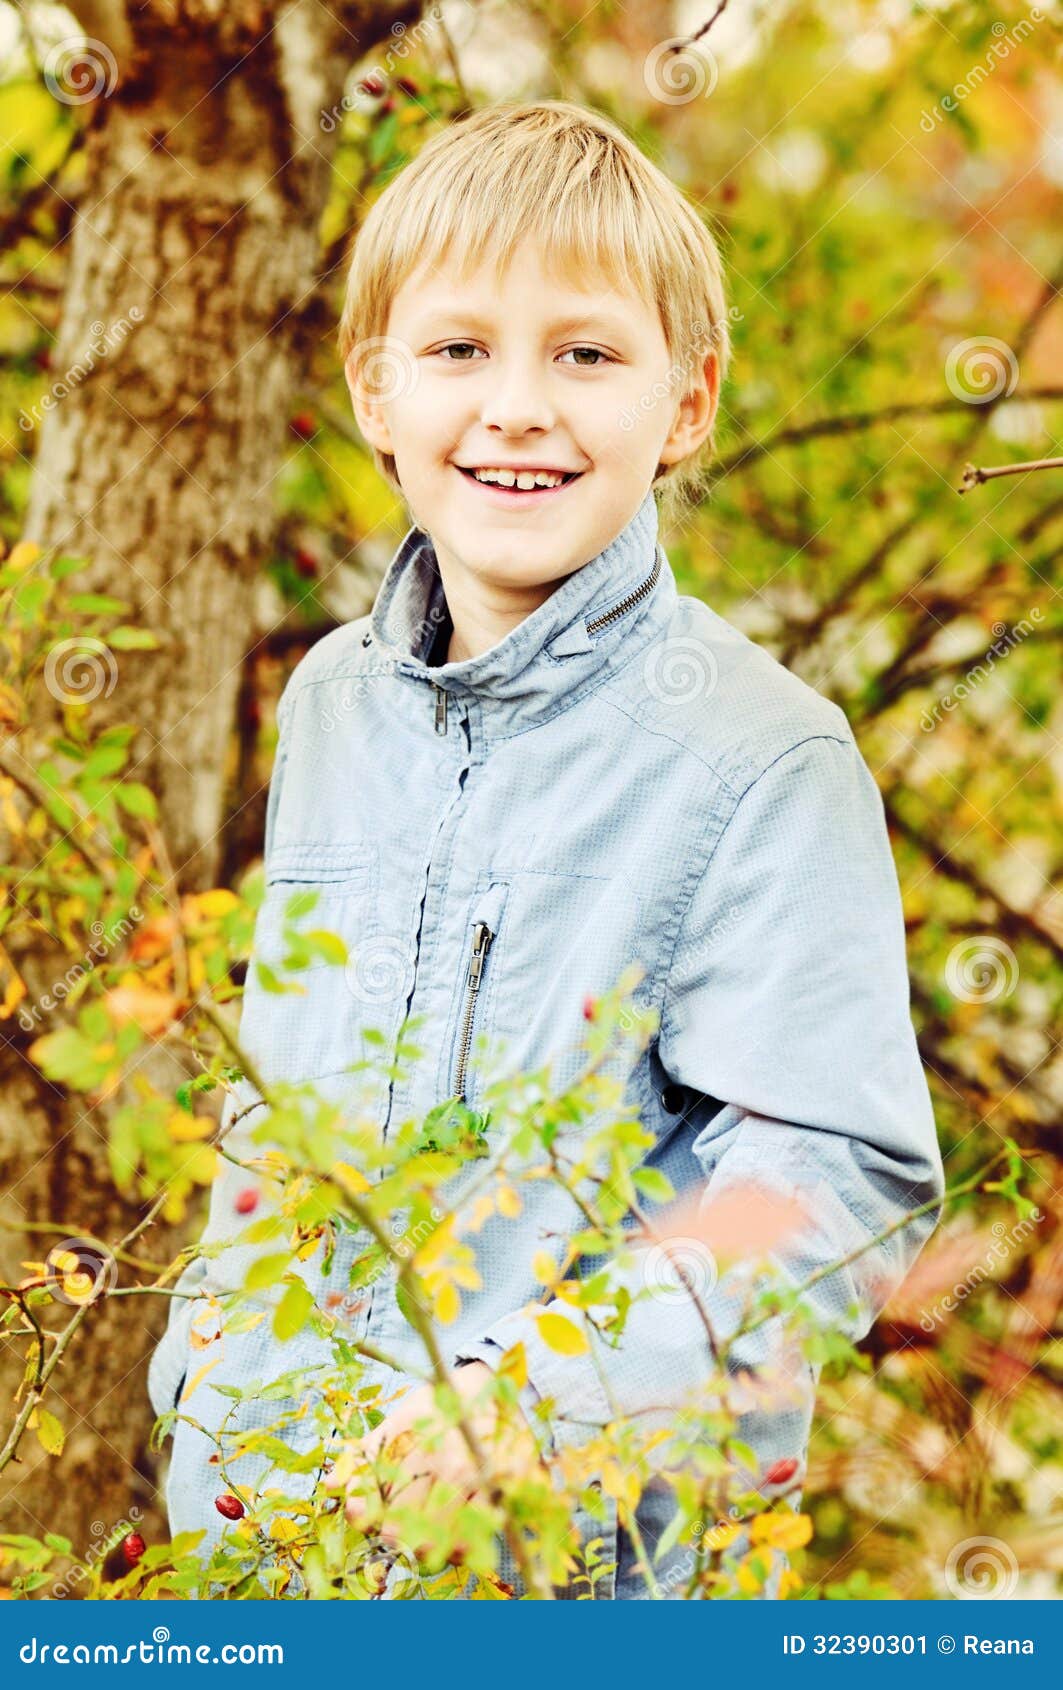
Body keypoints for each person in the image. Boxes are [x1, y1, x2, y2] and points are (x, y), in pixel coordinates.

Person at [148, 100, 944, 1600]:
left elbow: (832, 1177)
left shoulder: (758, 756)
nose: (518, 405)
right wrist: (208, 1419)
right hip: (274, 1568)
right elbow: (277, 1119)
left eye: (585, 353)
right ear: (375, 391)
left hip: (567, 1588)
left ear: (687, 403)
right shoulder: (332, 705)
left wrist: (523, 1414)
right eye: (459, 350)